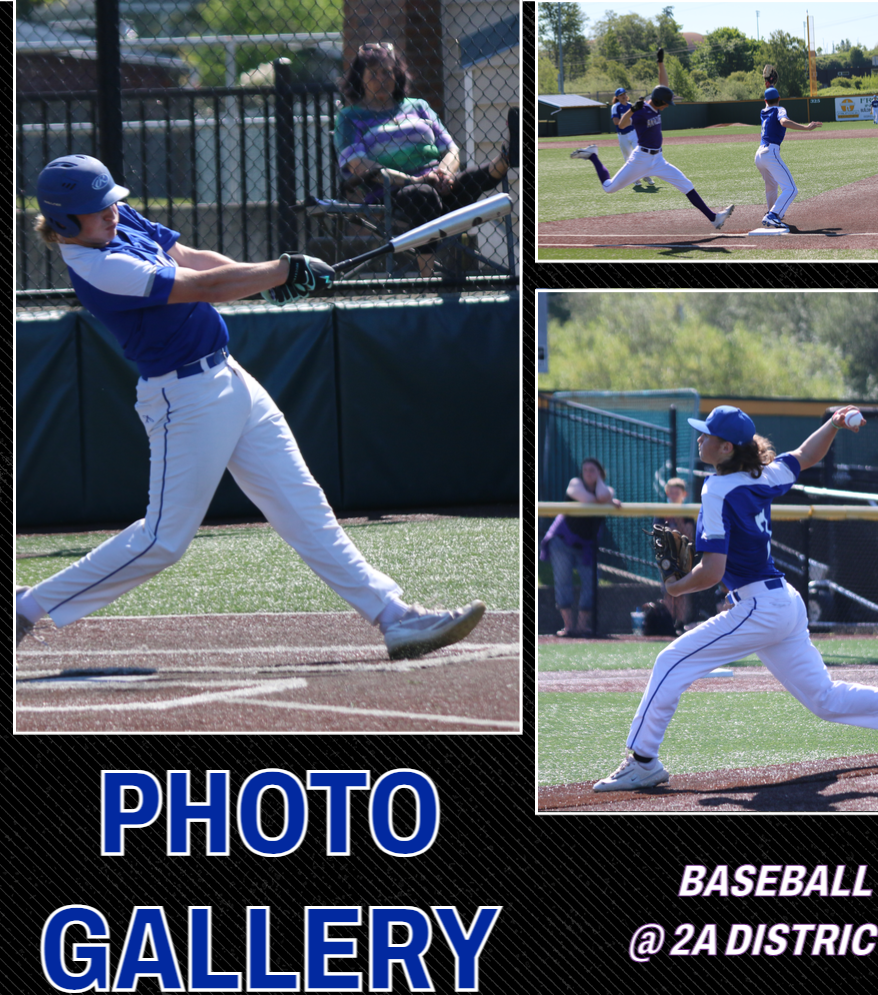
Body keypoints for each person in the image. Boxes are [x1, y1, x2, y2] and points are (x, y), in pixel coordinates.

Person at [15, 154, 486, 661]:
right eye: (97, 208)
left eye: (111, 202)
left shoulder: (116, 224)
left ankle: (394, 617)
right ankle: (27, 607)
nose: (111, 212)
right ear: (65, 221)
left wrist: (272, 277)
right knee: (163, 540)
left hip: (229, 378)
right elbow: (205, 289)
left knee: (303, 504)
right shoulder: (98, 267)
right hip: (184, 399)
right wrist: (280, 272)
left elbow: (195, 258)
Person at [594, 404, 878, 792]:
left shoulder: (716, 489)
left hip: (760, 607)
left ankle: (642, 760)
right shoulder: (765, 475)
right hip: (782, 604)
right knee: (823, 699)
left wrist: (674, 587)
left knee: (670, 661)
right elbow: (807, 455)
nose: (699, 438)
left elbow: (710, 572)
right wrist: (834, 423)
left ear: (726, 449)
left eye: (707, 434)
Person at [334, 42, 514, 277]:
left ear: (398, 74)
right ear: (359, 78)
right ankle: (427, 279)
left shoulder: (418, 107)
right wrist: (414, 180)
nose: (382, 78)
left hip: (435, 178)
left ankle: (507, 156)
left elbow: (451, 150)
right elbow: (358, 165)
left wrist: (444, 173)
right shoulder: (350, 117)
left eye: (388, 72)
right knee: (424, 194)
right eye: (374, 73)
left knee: (467, 178)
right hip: (391, 189)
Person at [569, 49, 734, 231]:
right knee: (609, 188)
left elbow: (663, 85)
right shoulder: (641, 110)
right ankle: (593, 156)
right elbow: (622, 125)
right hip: (641, 159)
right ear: (660, 102)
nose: (667, 106)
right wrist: (632, 109)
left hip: (658, 159)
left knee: (686, 185)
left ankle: (714, 218)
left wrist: (660, 62)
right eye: (666, 103)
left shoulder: (655, 102)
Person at [540, 458, 621, 638]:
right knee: (563, 581)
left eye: (593, 470)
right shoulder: (575, 484)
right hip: (562, 541)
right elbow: (589, 500)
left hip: (586, 545)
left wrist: (601, 485)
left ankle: (582, 627)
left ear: (600, 472)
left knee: (591, 581)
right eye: (585, 469)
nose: (588, 473)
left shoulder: (606, 491)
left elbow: (601, 496)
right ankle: (569, 627)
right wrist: (608, 502)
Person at [755, 87, 823, 229]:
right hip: (770, 152)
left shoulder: (763, 111)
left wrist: (769, 86)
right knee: (791, 189)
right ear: (779, 99)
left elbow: (769, 103)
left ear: (765, 101)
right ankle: (772, 215)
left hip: (759, 155)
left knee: (772, 186)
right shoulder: (780, 109)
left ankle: (773, 213)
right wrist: (806, 127)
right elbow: (784, 122)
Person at [653, 477, 695, 633]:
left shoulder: (687, 512)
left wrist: (677, 517)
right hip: (666, 558)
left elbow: (689, 536)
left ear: (684, 494)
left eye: (677, 492)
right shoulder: (662, 511)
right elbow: (660, 536)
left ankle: (681, 624)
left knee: (682, 592)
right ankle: (669, 624)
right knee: (669, 591)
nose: (674, 495)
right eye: (671, 492)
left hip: (683, 557)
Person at [611, 88, 655, 185]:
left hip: (633, 133)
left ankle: (646, 175)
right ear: (617, 97)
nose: (624, 96)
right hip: (622, 136)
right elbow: (615, 122)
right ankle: (635, 179)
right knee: (628, 158)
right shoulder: (616, 107)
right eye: (621, 94)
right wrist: (626, 121)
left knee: (641, 153)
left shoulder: (631, 105)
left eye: (624, 93)